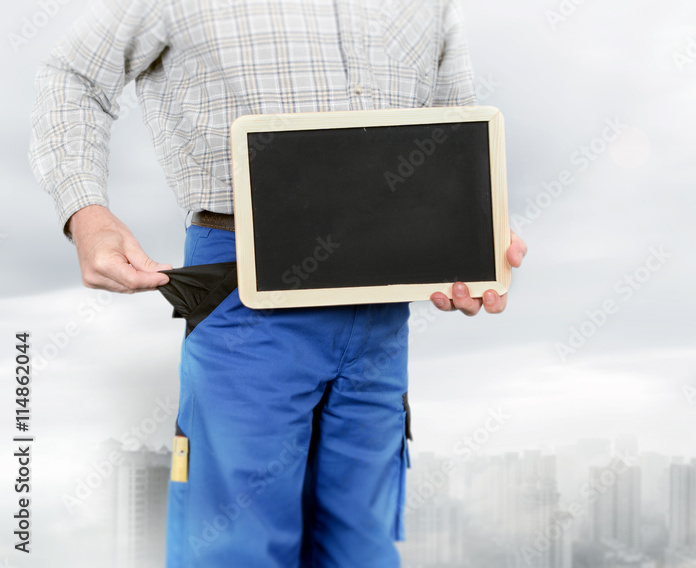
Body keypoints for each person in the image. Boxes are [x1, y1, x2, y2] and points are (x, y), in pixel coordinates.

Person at [28, 0, 527, 566]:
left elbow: (454, 124)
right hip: (244, 293)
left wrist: (478, 230)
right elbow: (73, 73)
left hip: (383, 309)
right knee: (235, 546)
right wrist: (86, 213)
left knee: (361, 548)